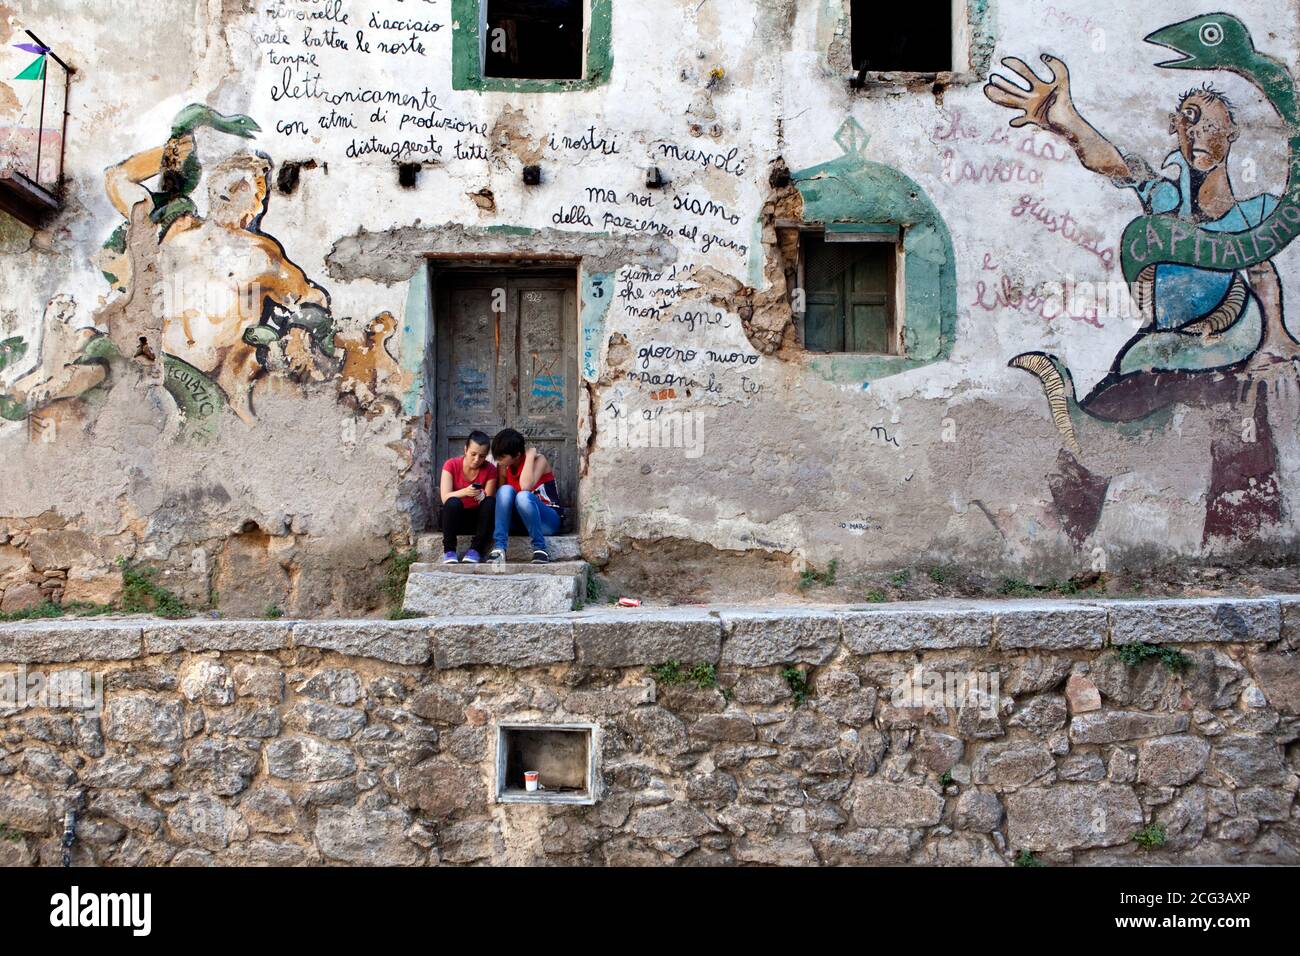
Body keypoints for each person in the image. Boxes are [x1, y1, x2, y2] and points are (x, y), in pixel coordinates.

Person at [489, 428, 562, 564]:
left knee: (523, 496)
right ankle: (499, 548)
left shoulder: (539, 460)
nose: (498, 460)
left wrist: (529, 457)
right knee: (504, 490)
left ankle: (540, 549)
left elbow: (525, 487)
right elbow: (502, 500)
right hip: (523, 523)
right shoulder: (504, 466)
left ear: (517, 455)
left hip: (548, 520)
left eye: (502, 457)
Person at [439, 431, 498, 563]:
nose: (477, 459)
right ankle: (449, 551)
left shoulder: (490, 470)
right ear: (465, 449)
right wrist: (465, 492)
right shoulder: (451, 464)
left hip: (478, 522)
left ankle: (476, 550)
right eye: (473, 454)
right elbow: (445, 497)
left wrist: (482, 495)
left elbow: (488, 497)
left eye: (482, 456)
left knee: (490, 502)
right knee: (452, 502)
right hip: (455, 520)